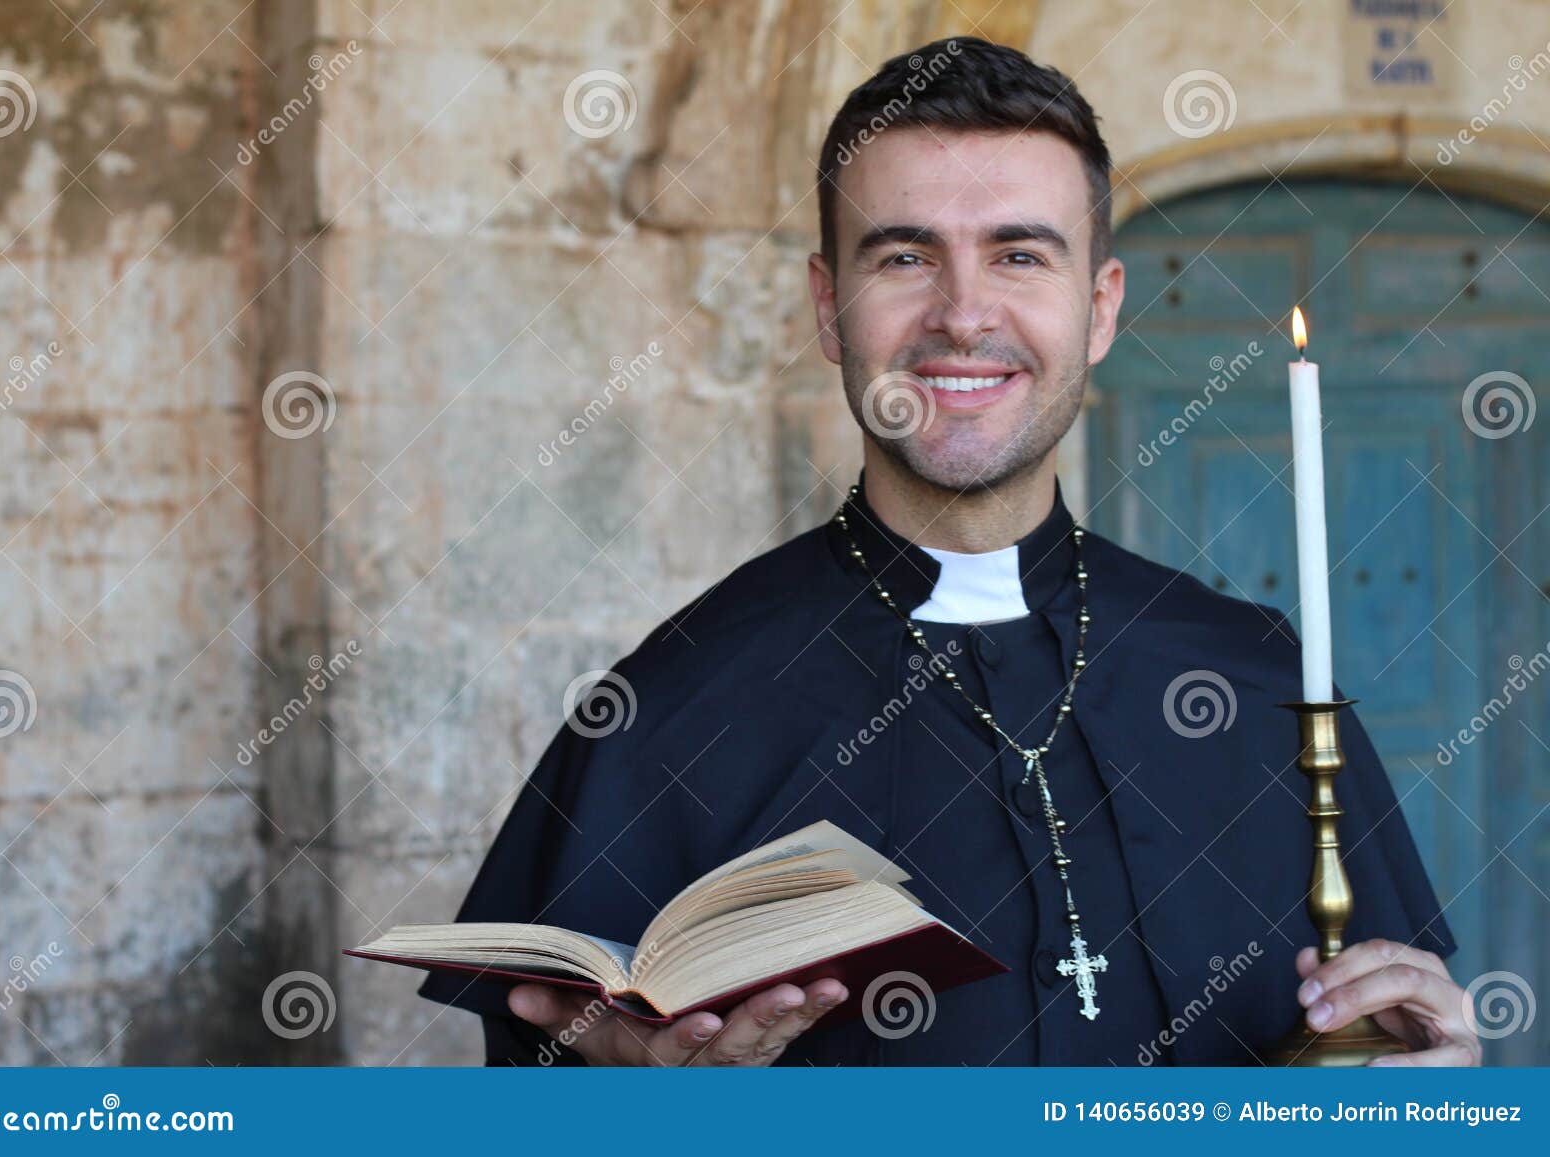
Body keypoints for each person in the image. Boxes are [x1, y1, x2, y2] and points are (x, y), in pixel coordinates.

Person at [417, 37, 1479, 1067]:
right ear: (829, 308)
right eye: (903, 255)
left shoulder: (1254, 675)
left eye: (1019, 254)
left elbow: (1380, 1064)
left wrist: (1437, 1095)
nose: (963, 315)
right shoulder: (675, 704)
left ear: (1099, 307)